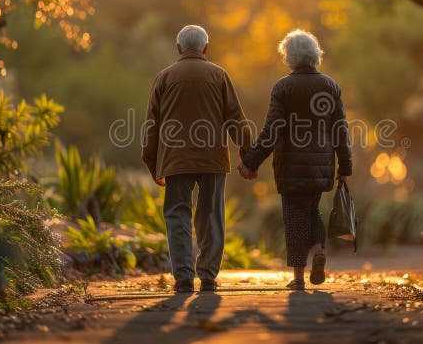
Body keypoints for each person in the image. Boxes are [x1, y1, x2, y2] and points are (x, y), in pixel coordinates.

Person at [142, 25, 252, 293]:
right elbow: (237, 120)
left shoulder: (164, 77)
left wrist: (152, 163)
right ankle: (208, 276)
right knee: (211, 214)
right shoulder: (219, 75)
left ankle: (182, 277)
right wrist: (248, 154)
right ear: (205, 48)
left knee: (177, 214)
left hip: (175, 159)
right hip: (212, 158)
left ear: (179, 49)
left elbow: (151, 125)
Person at [238, 29, 352, 290]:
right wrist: (345, 167)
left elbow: (271, 131)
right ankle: (320, 251)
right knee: (312, 211)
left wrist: (250, 163)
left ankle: (299, 278)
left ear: (289, 56)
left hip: (291, 166)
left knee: (294, 218)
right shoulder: (330, 86)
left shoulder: (283, 87)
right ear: (315, 55)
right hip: (321, 165)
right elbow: (340, 131)